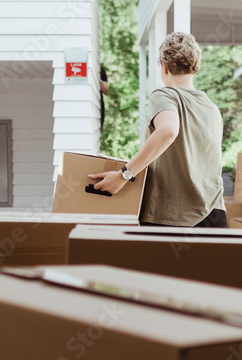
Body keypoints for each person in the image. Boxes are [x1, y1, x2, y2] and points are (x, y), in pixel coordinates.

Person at [89, 32, 226, 228]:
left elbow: (168, 130)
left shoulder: (165, 95)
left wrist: (123, 175)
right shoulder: (211, 108)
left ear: (164, 66)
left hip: (173, 216)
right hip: (214, 215)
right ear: (196, 67)